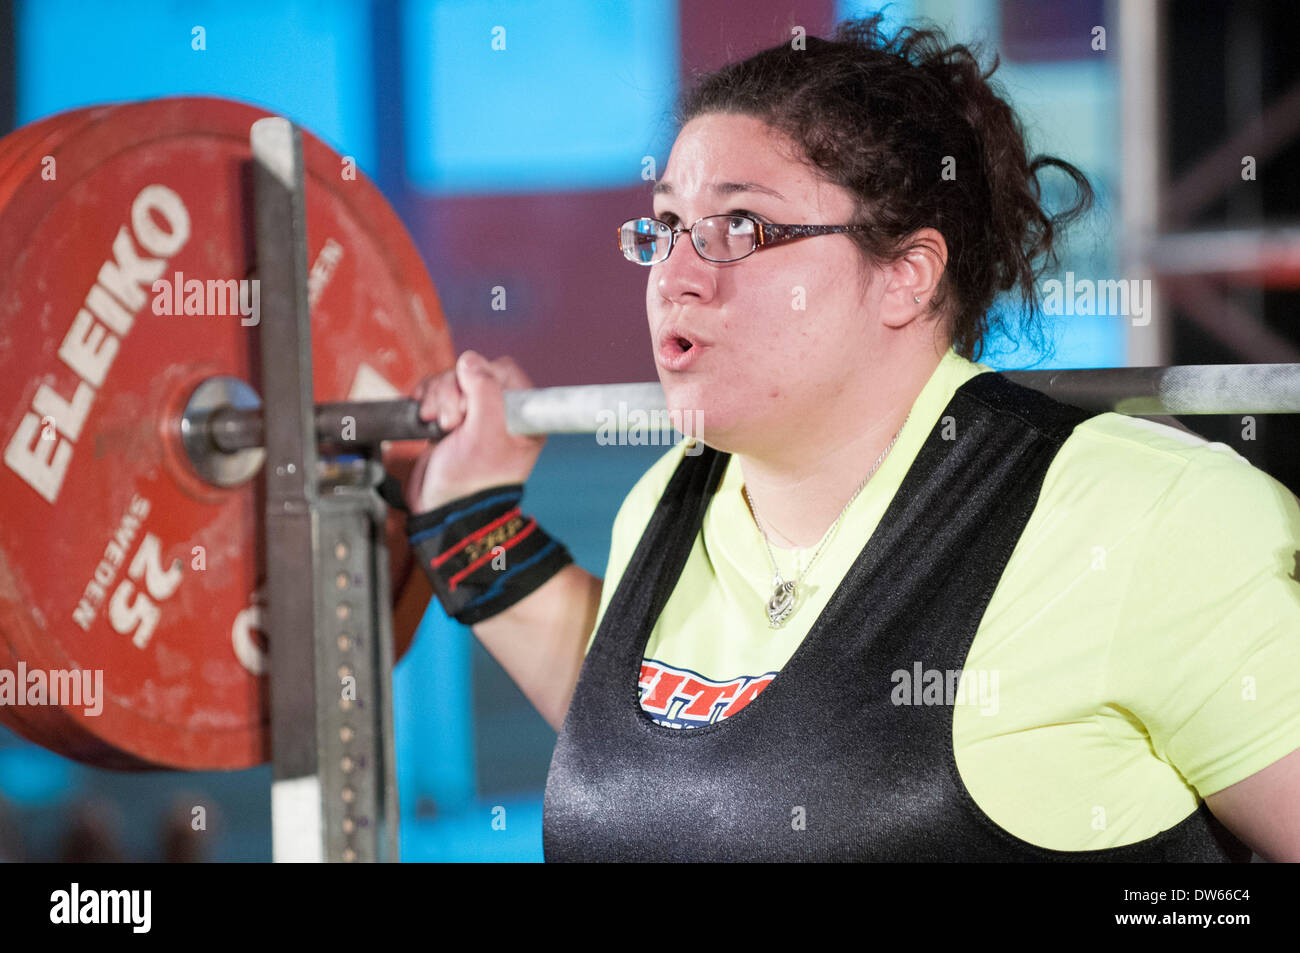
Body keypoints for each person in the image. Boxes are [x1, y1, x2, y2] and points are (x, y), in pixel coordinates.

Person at [402, 16, 1300, 861]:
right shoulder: (674, 497)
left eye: (737, 228)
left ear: (906, 276)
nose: (674, 275)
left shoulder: (1145, 515)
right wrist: (466, 514)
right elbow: (673, 774)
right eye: (668, 226)